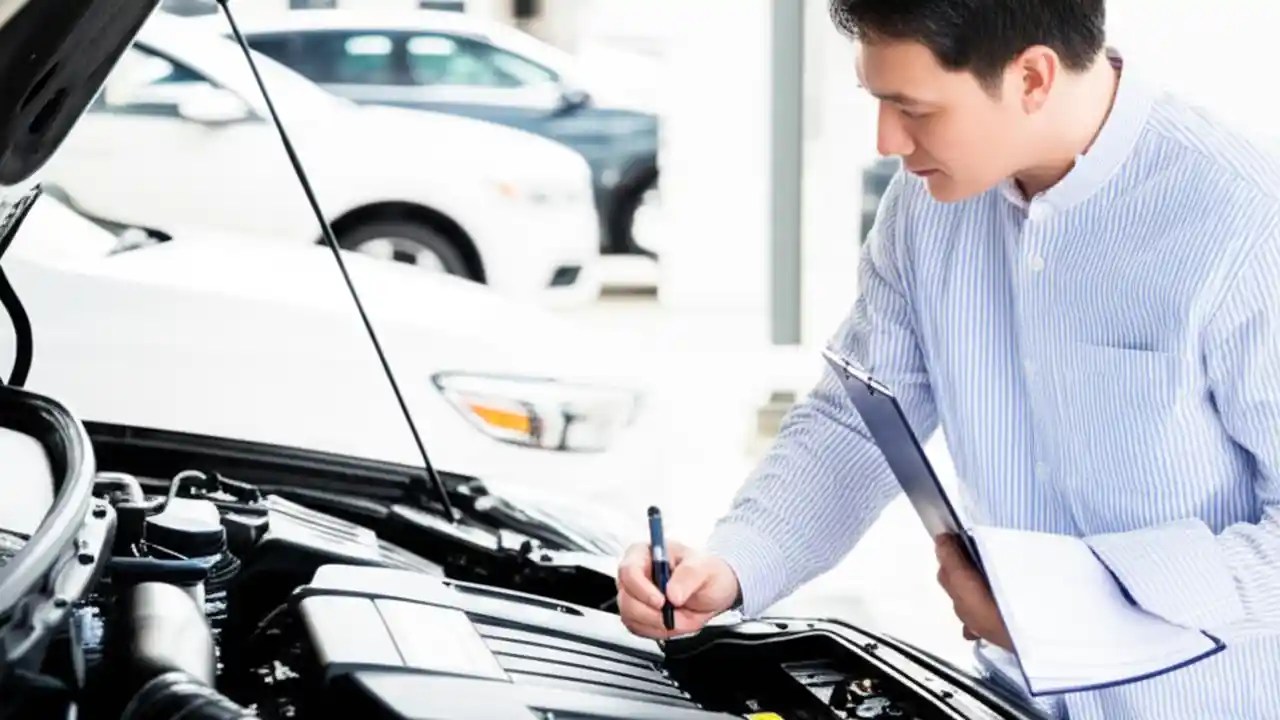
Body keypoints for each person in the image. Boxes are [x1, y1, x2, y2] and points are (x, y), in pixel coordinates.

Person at [615, 0, 1280, 717]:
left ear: (1032, 77)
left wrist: (1061, 614)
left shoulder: (1246, 224)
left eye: (915, 109)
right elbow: (855, 420)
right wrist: (732, 564)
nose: (886, 140)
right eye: (878, 102)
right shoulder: (924, 207)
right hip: (1005, 698)